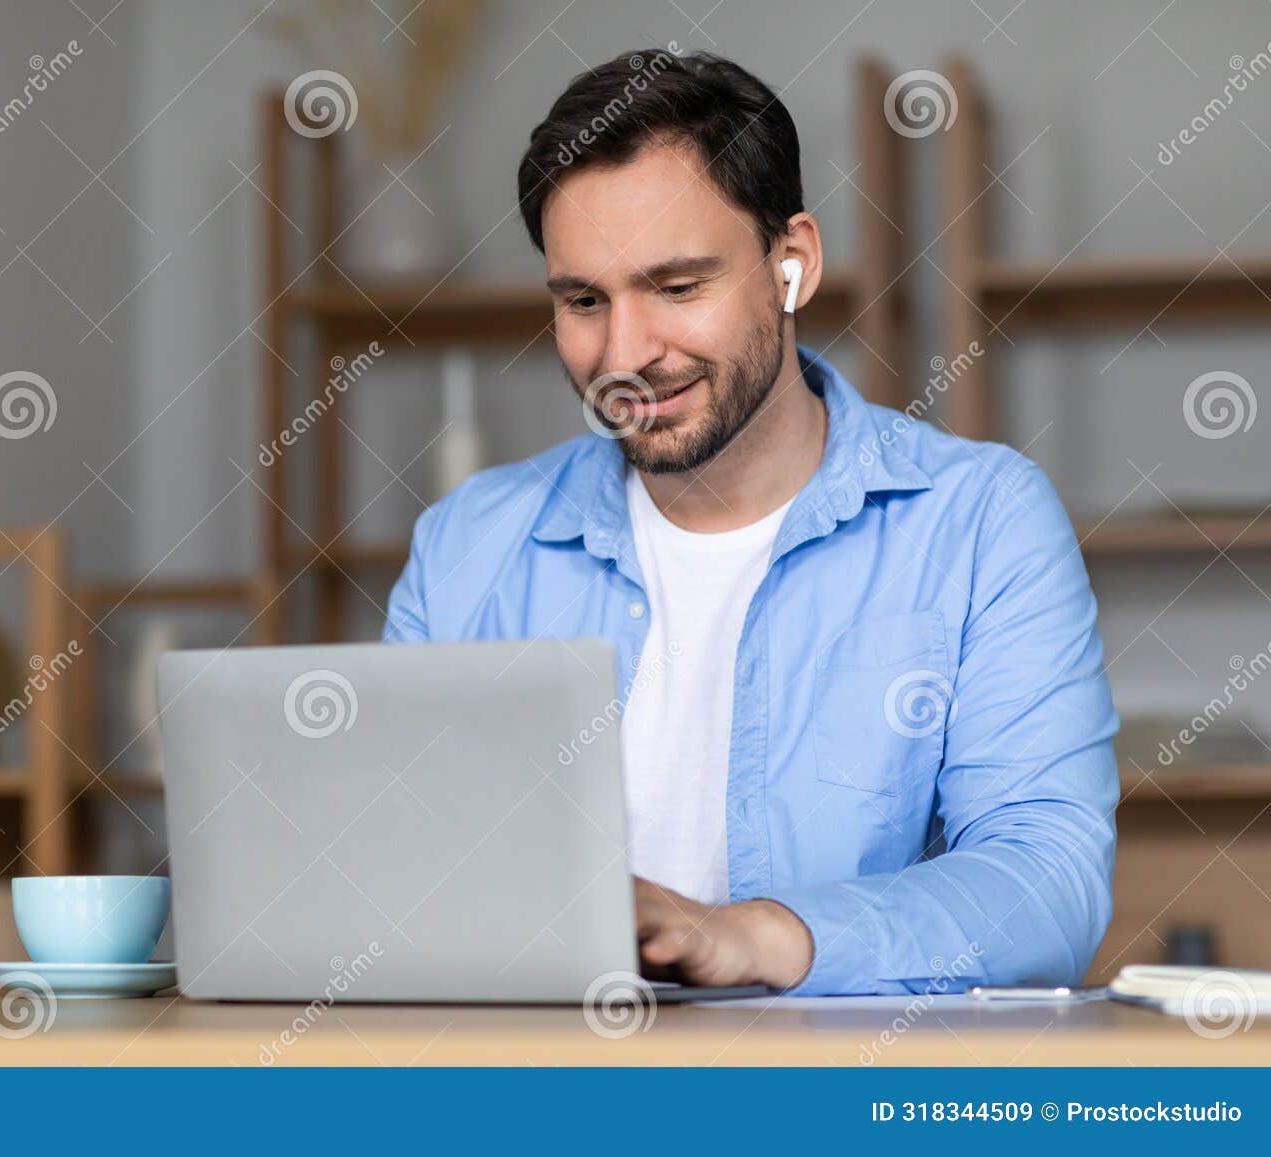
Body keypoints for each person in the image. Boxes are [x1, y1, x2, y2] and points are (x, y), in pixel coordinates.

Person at [383, 49, 1118, 995]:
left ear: (791, 265)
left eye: (678, 287)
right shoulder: (467, 546)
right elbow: (393, 876)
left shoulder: (979, 522)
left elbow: (1046, 885)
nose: (627, 353)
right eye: (583, 301)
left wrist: (757, 937)